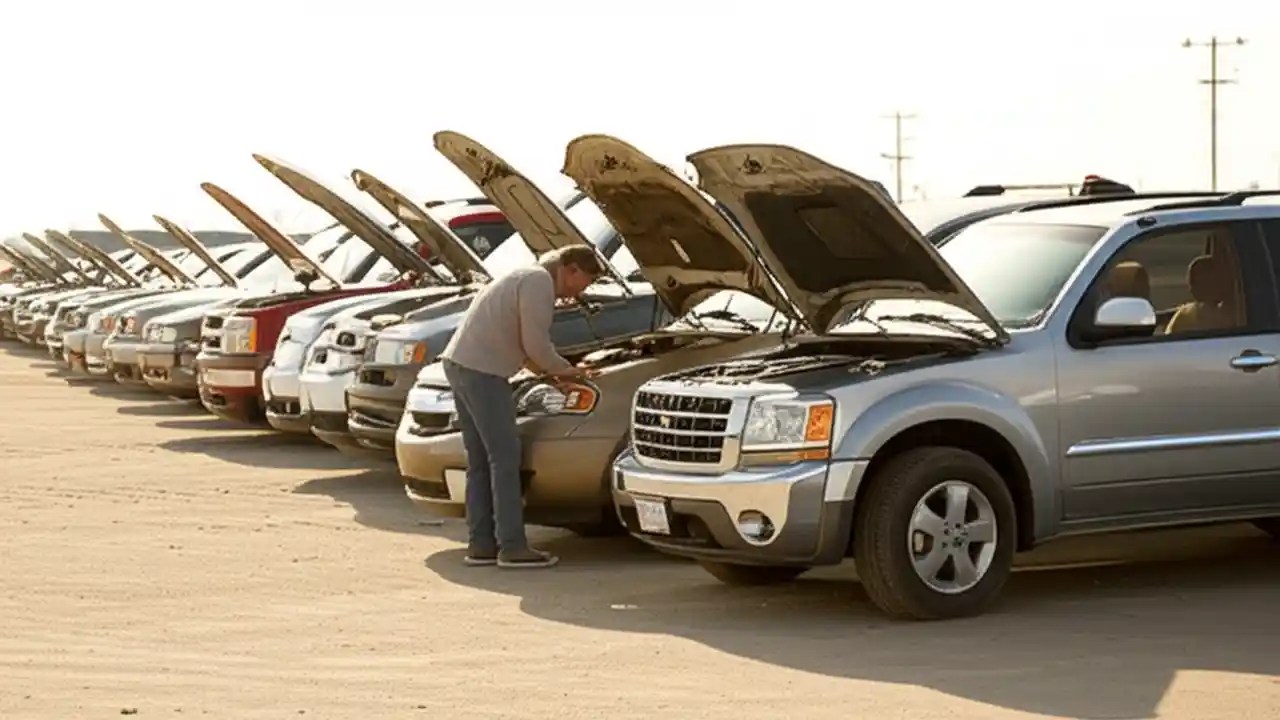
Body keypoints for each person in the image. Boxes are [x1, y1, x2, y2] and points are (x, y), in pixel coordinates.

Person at [439, 244, 602, 569]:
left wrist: (553, 374)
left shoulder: (522, 276)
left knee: (481, 461)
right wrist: (571, 372)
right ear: (570, 268)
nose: (575, 294)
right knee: (504, 457)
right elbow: (536, 345)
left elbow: (526, 350)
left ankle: (482, 544)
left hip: (460, 364)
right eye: (579, 283)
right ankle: (512, 546)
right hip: (483, 371)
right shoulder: (538, 282)